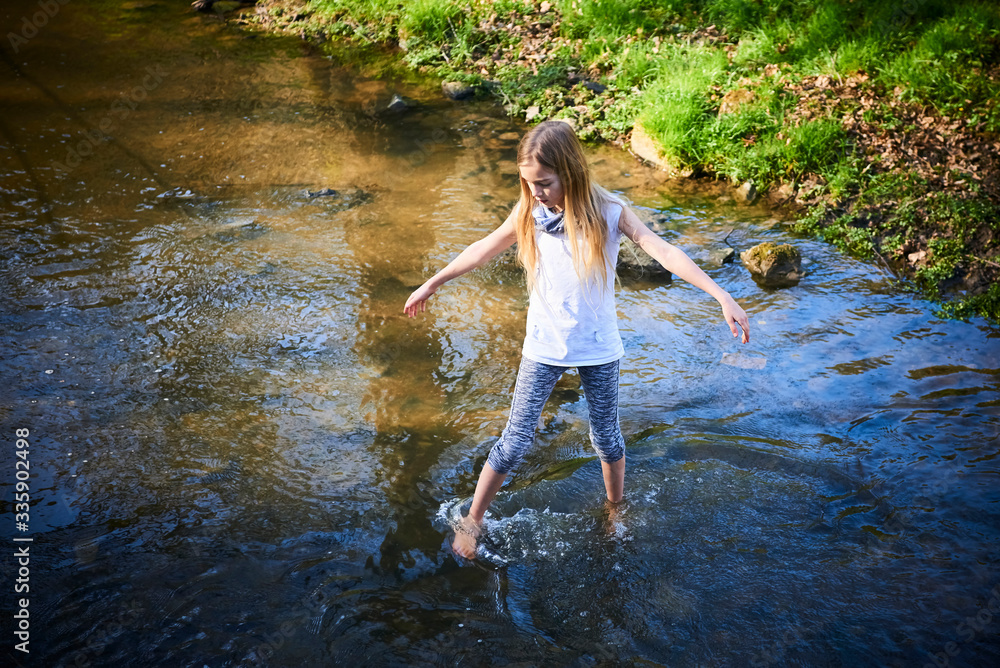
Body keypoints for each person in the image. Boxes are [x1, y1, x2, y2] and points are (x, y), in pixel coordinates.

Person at [403, 120, 750, 559]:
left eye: (544, 183)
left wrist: (720, 294)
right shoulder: (529, 211)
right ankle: (473, 519)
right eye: (528, 184)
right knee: (515, 440)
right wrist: (434, 282)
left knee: (606, 437)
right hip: (544, 345)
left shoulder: (609, 211)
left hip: (598, 347)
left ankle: (615, 510)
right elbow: (483, 247)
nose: (536, 193)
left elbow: (663, 250)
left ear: (570, 171)